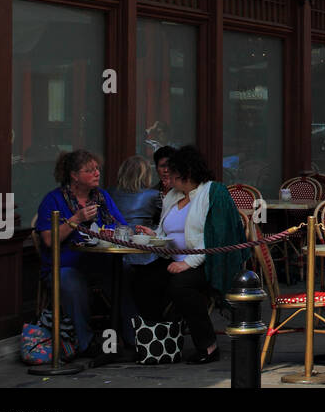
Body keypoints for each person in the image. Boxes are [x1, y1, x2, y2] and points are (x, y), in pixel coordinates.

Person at [133, 145, 247, 364]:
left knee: (180, 285)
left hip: (208, 262)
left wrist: (188, 263)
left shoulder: (214, 192)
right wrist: (153, 235)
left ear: (187, 175)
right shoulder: (173, 196)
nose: (170, 181)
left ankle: (208, 345)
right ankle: (163, 337)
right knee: (141, 280)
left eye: (174, 176)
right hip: (172, 259)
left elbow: (217, 238)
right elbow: (166, 231)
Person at [36, 150, 130, 360]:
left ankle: (131, 338)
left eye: (97, 168)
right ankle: (86, 344)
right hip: (64, 265)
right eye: (89, 170)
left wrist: (134, 231)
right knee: (72, 283)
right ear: (74, 175)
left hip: (98, 261)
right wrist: (76, 219)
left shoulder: (102, 197)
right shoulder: (53, 200)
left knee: (122, 273)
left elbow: (121, 226)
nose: (97, 173)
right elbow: (49, 240)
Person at [109, 154, 163, 269]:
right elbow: (165, 221)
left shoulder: (110, 192)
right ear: (146, 175)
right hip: (143, 252)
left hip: (114, 249)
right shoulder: (153, 195)